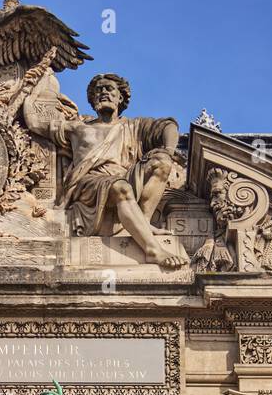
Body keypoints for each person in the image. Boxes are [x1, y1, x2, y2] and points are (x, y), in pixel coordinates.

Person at [23, 71, 188, 270]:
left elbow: (168, 126)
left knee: (161, 161)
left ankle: (143, 223)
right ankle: (153, 250)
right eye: (98, 90)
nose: (103, 93)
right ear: (92, 99)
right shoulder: (78, 127)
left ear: (120, 97)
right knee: (121, 188)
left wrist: (169, 151)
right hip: (89, 184)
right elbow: (33, 123)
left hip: (124, 177)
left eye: (109, 89)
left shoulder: (134, 127)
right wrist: (30, 85)